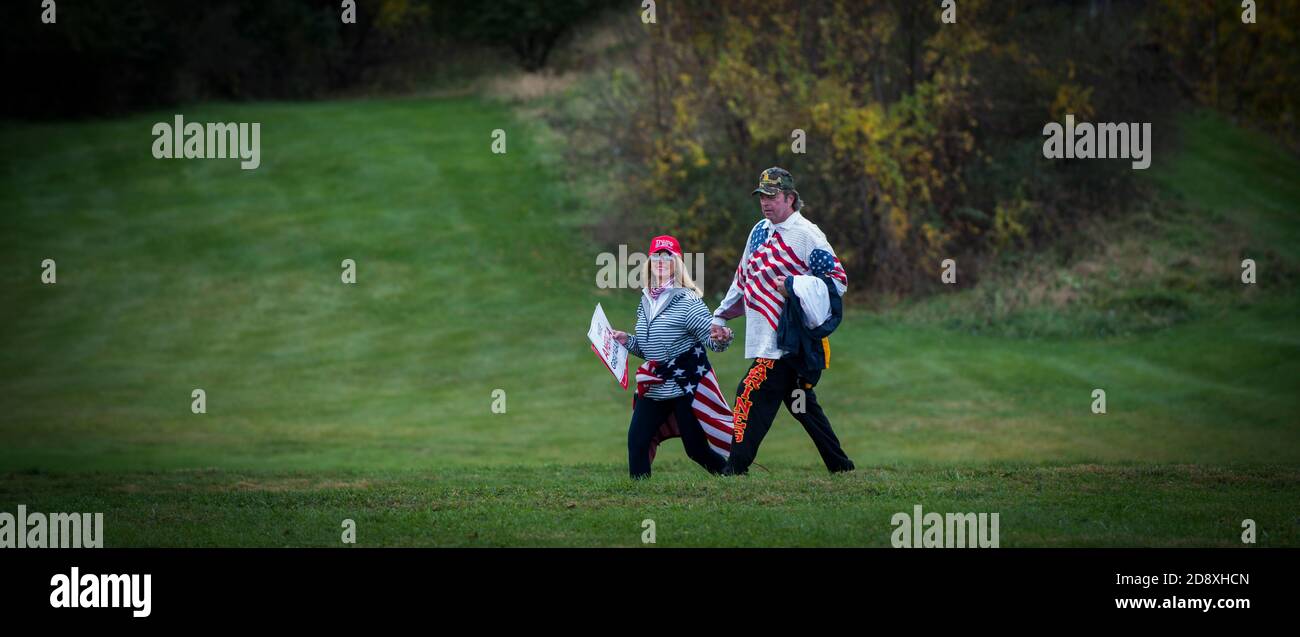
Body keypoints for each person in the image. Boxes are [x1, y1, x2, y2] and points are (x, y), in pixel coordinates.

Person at [711, 167, 856, 475]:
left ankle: (734, 469)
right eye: (762, 196)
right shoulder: (759, 230)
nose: (766, 202)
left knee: (748, 392)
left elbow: (837, 280)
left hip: (787, 340)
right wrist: (721, 315)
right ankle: (841, 466)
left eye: (772, 196)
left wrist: (793, 285)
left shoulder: (807, 235)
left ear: (791, 198)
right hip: (767, 337)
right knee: (801, 402)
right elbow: (743, 277)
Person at [611, 235, 735, 479]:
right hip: (656, 385)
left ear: (677, 263)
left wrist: (723, 337)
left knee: (696, 449)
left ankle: (732, 477)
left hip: (685, 385)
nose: (660, 260)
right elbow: (649, 349)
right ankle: (638, 495)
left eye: (667, 256)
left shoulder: (688, 301)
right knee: (637, 440)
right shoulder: (646, 299)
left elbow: (713, 340)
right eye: (656, 255)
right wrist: (627, 340)